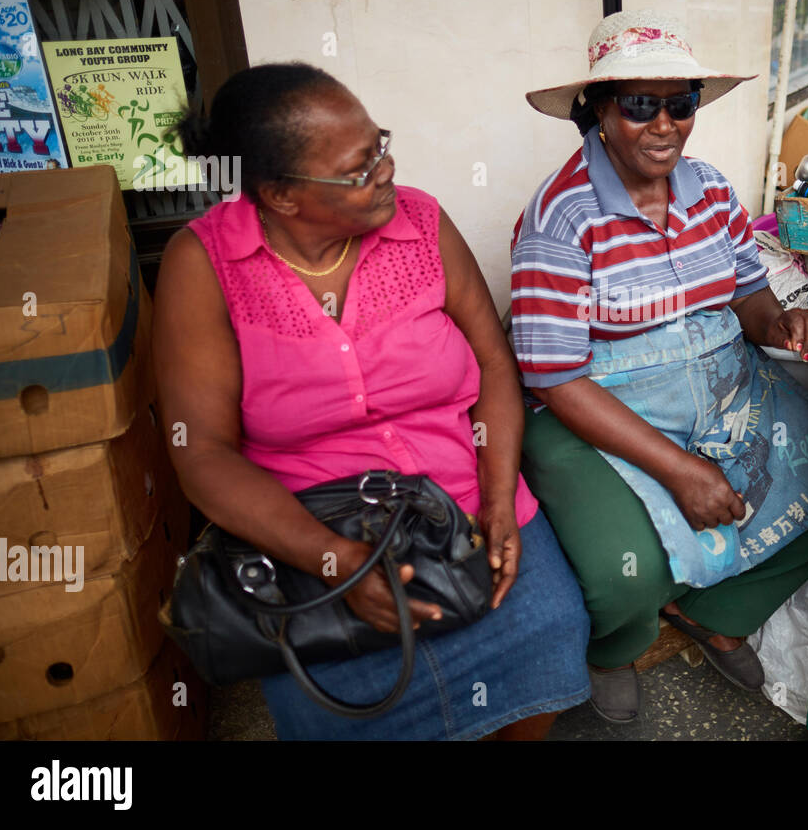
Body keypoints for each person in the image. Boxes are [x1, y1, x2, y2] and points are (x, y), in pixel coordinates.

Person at [153, 63, 590, 739]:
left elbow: (493, 365)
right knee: (342, 696)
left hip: (466, 495)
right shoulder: (203, 265)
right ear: (280, 194)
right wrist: (332, 560)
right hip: (310, 526)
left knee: (548, 627)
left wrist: (498, 499)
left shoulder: (419, 221)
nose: (386, 171)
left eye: (380, 145)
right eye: (359, 169)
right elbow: (201, 453)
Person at [510, 10, 808, 723]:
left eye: (681, 102)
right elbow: (553, 376)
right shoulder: (561, 217)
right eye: (639, 105)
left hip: (721, 386)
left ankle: (715, 610)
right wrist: (680, 468)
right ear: (599, 112)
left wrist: (778, 320)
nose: (663, 124)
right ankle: (620, 643)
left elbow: (745, 291)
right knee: (621, 577)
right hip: (598, 411)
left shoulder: (712, 189)